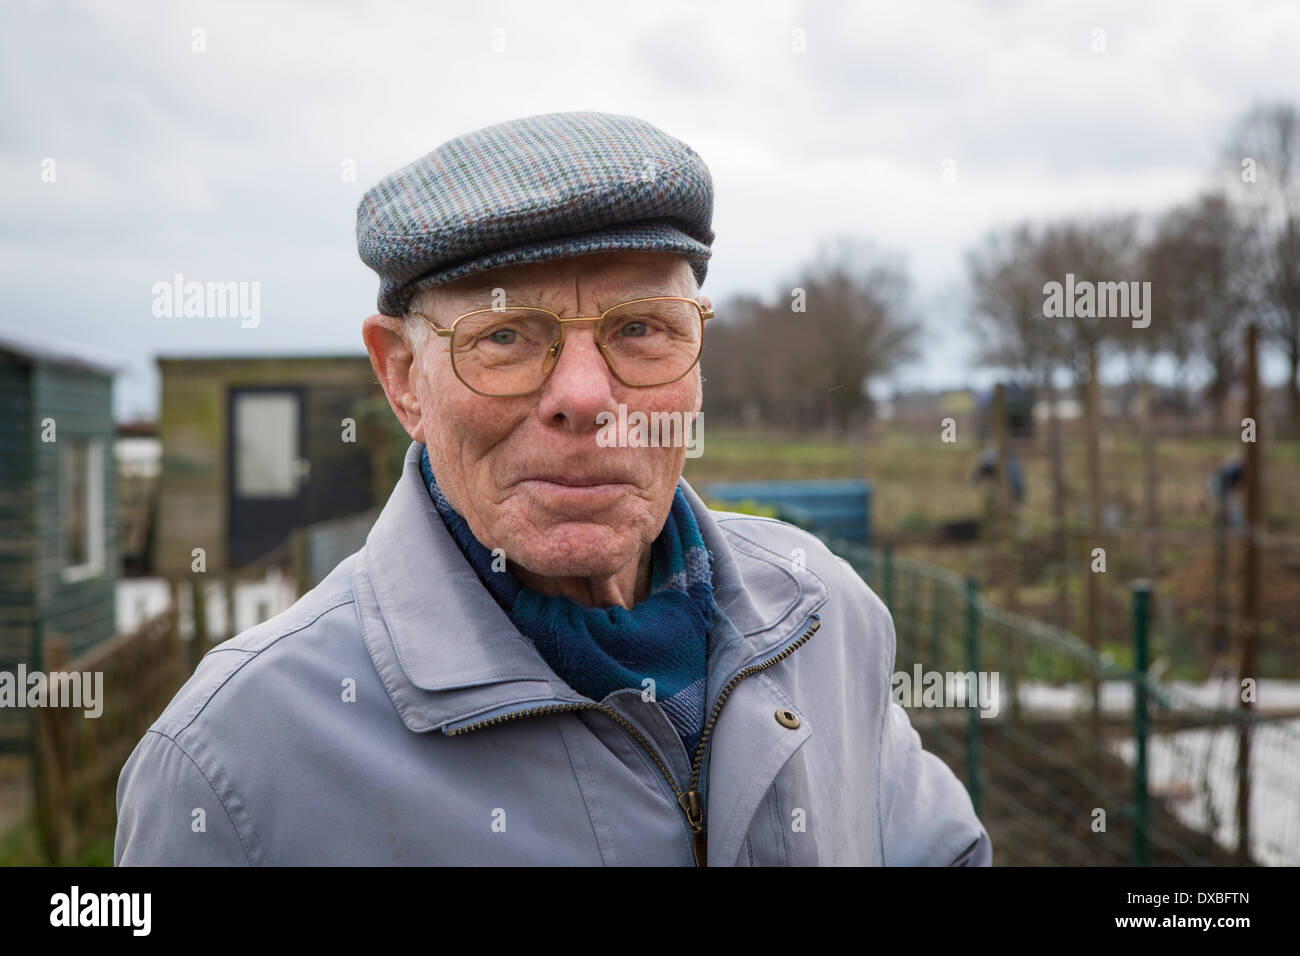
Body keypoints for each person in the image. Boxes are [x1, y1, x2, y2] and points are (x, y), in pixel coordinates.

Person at [115, 111, 991, 866]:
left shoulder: (824, 617)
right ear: (403, 380)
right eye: (505, 337)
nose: (584, 398)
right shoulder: (233, 761)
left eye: (642, 328)